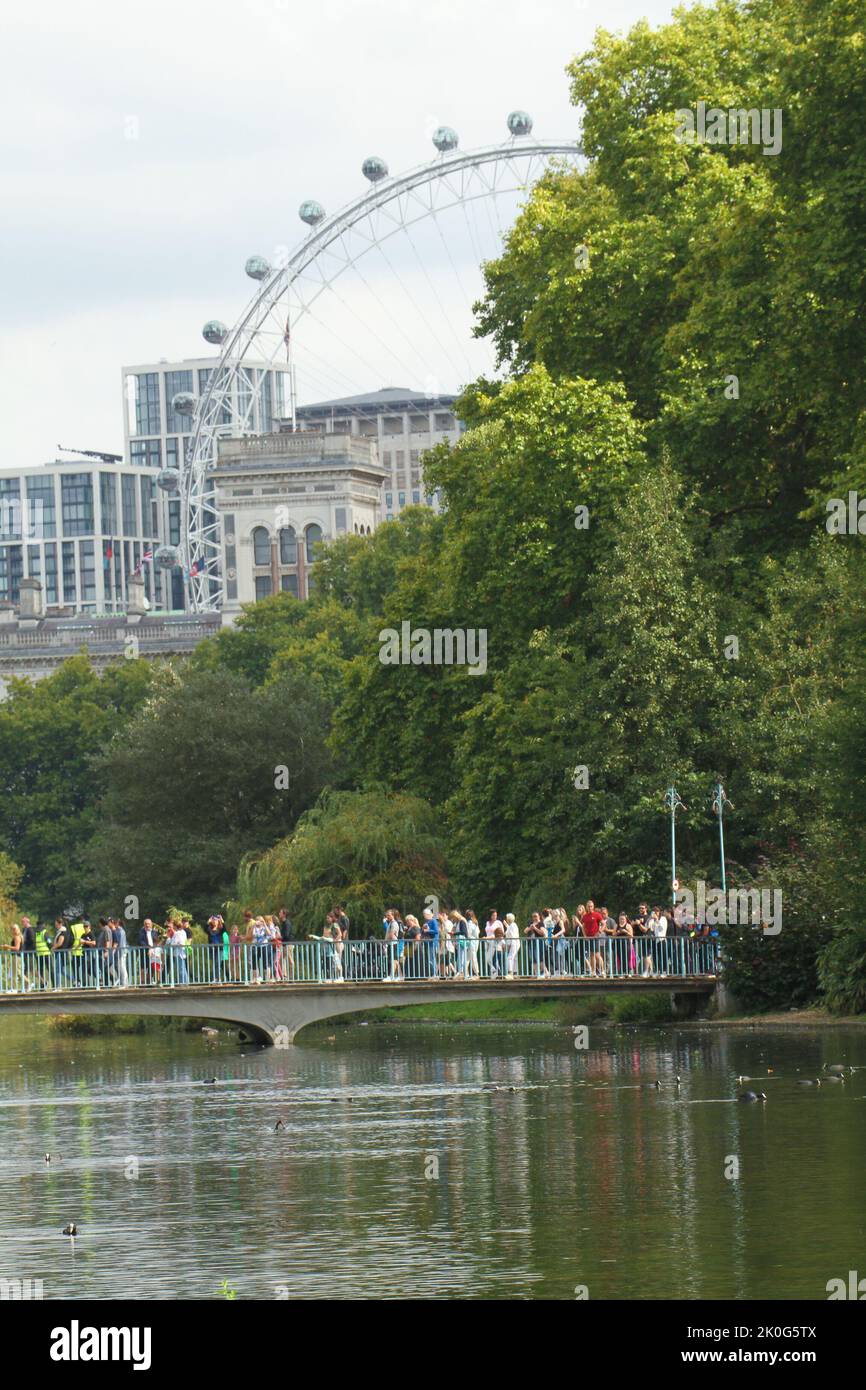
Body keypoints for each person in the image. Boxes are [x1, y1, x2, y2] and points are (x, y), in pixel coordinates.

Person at [581, 900, 605, 978]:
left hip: (596, 937)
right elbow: (583, 927)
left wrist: (600, 931)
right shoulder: (584, 916)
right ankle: (593, 971)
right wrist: (585, 936)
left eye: (591, 906)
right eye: (588, 906)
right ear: (586, 907)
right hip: (589, 938)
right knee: (591, 955)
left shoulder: (597, 914)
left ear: (593, 907)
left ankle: (602, 971)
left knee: (597, 955)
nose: (590, 908)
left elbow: (603, 923)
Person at [112, 918, 129, 988]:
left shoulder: (119, 931)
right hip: (122, 951)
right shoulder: (122, 930)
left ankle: (124, 984)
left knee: (122, 968)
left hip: (121, 952)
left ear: (117, 924)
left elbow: (118, 942)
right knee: (122, 967)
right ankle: (124, 983)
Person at [464, 910, 480, 979]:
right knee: (468, 958)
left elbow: (469, 934)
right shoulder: (475, 923)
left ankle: (476, 973)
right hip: (474, 941)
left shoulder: (470, 923)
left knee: (472, 957)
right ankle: (465, 972)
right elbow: (477, 933)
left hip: (472, 942)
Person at [504, 913, 520, 979]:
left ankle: (510, 973)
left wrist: (509, 945)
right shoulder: (512, 925)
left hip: (514, 943)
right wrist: (506, 925)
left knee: (510, 957)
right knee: (514, 958)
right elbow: (509, 931)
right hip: (515, 943)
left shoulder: (512, 925)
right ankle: (515, 973)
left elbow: (513, 935)